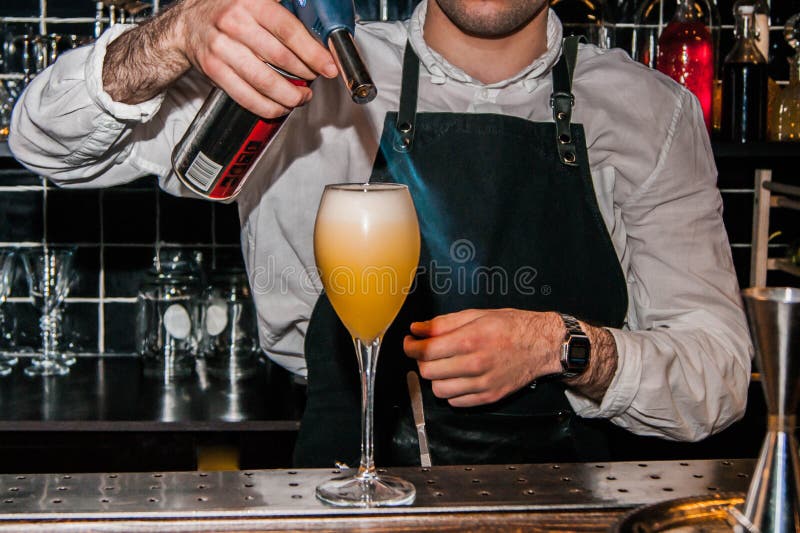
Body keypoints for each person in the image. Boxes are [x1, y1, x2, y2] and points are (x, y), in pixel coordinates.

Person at [9, 0, 752, 467]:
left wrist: (565, 345)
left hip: (566, 500)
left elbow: (718, 376)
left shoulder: (652, 113)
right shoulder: (304, 75)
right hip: (338, 493)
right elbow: (42, 141)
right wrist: (177, 32)